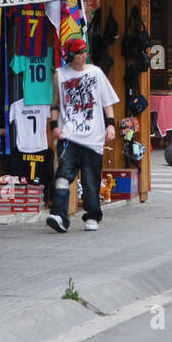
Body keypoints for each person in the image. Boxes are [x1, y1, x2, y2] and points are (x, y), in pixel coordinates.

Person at [46, 37, 118, 234]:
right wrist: (54, 125)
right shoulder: (59, 75)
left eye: (85, 51)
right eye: (79, 52)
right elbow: (55, 104)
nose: (84, 55)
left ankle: (93, 216)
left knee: (90, 180)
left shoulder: (95, 72)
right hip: (69, 135)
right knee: (62, 175)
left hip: (93, 138)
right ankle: (59, 215)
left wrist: (110, 125)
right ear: (70, 56)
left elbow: (107, 101)